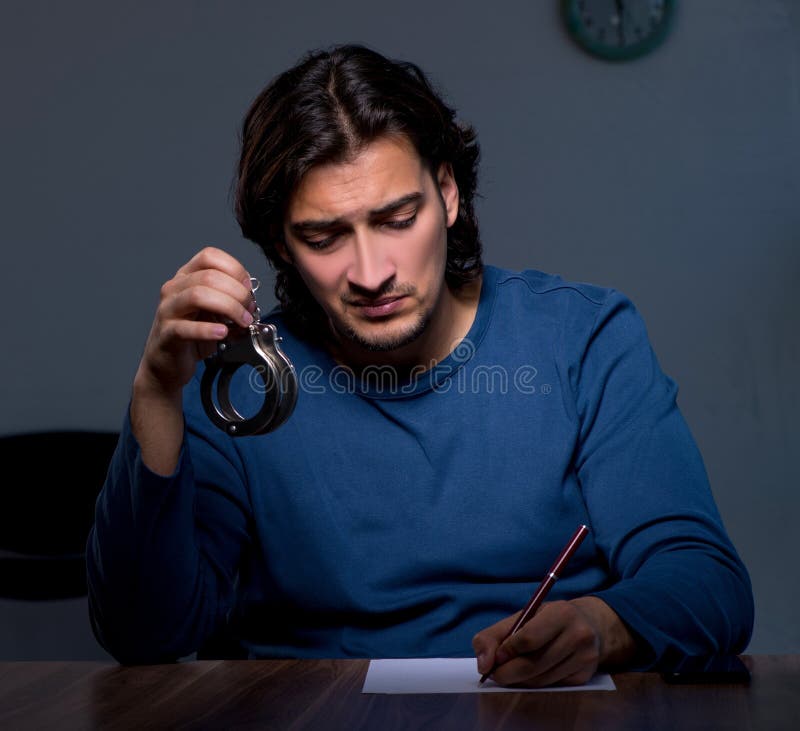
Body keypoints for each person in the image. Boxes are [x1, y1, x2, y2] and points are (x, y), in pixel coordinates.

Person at [87, 43, 753, 687]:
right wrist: (156, 394)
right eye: (324, 237)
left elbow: (708, 585)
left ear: (448, 195)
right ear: (281, 247)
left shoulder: (583, 337)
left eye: (398, 218)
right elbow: (145, 635)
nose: (372, 273)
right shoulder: (245, 378)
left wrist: (600, 625)